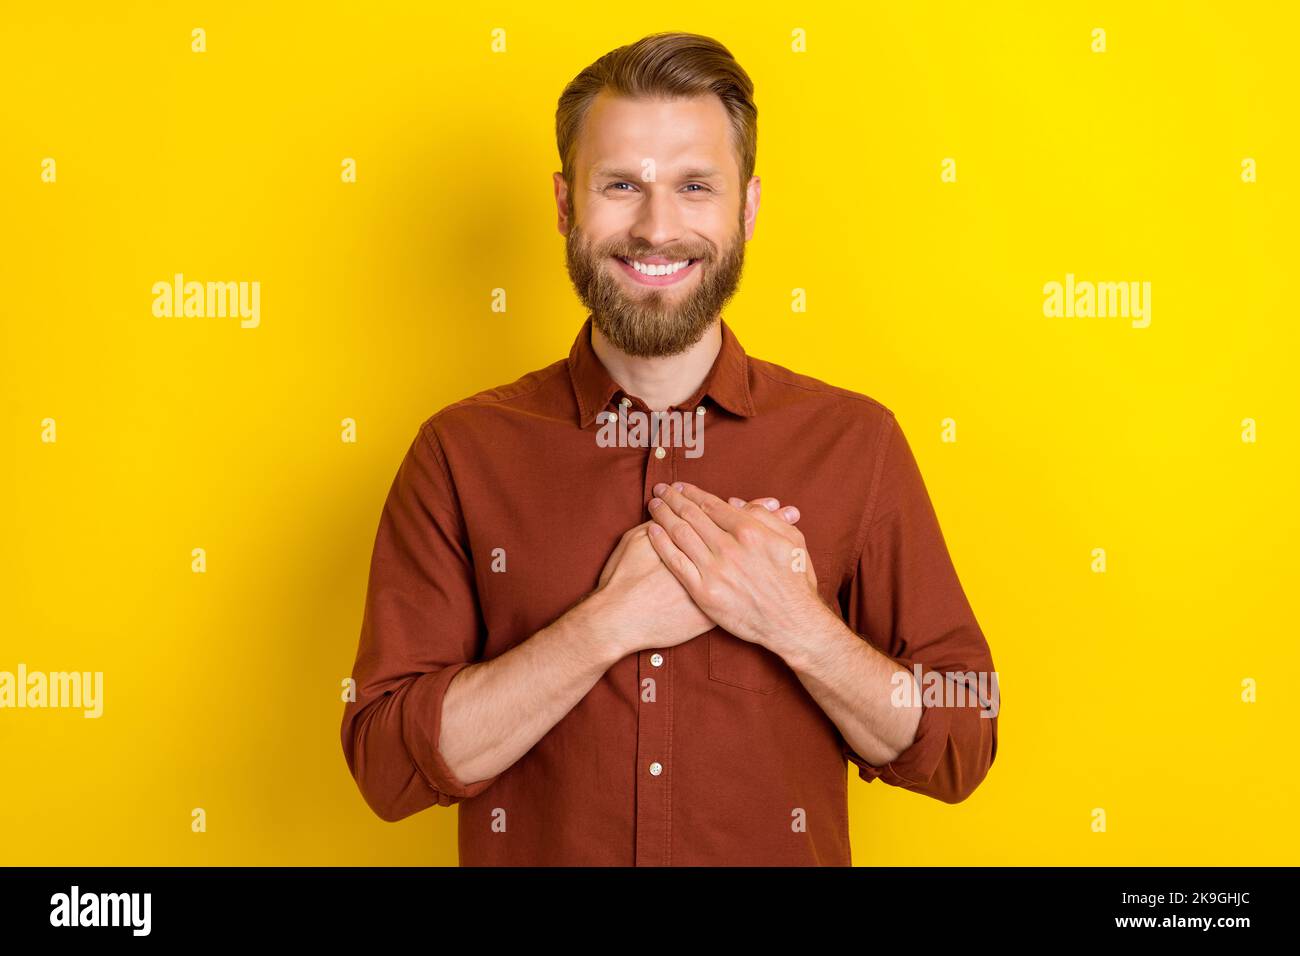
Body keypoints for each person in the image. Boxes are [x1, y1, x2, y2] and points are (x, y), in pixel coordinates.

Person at [341, 31, 998, 866]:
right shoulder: (460, 454)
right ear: (565, 203)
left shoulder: (855, 443)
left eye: (695, 187)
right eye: (622, 185)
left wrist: (794, 624)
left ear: (747, 208)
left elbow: (963, 736)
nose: (657, 229)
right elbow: (386, 767)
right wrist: (605, 626)